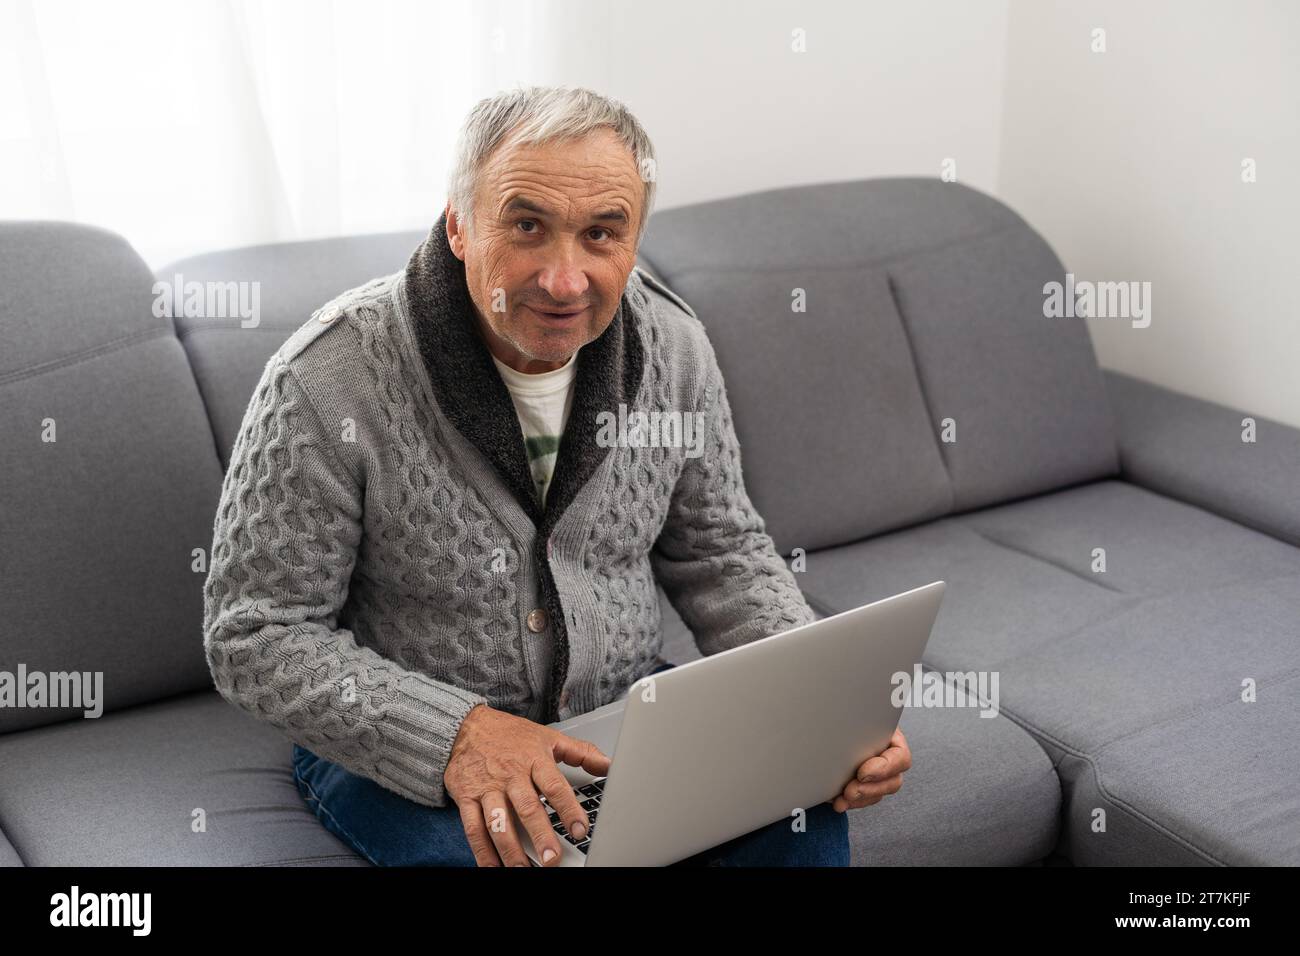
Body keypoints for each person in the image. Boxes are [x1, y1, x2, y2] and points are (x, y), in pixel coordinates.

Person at [203, 85, 909, 868]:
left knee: (804, 830)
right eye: (528, 225)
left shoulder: (674, 349)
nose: (564, 279)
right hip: (405, 746)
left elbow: (722, 552)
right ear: (460, 226)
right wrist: (458, 734)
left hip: (623, 723)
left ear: (634, 242)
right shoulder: (326, 378)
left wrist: (822, 704)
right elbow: (254, 632)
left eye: (602, 234)